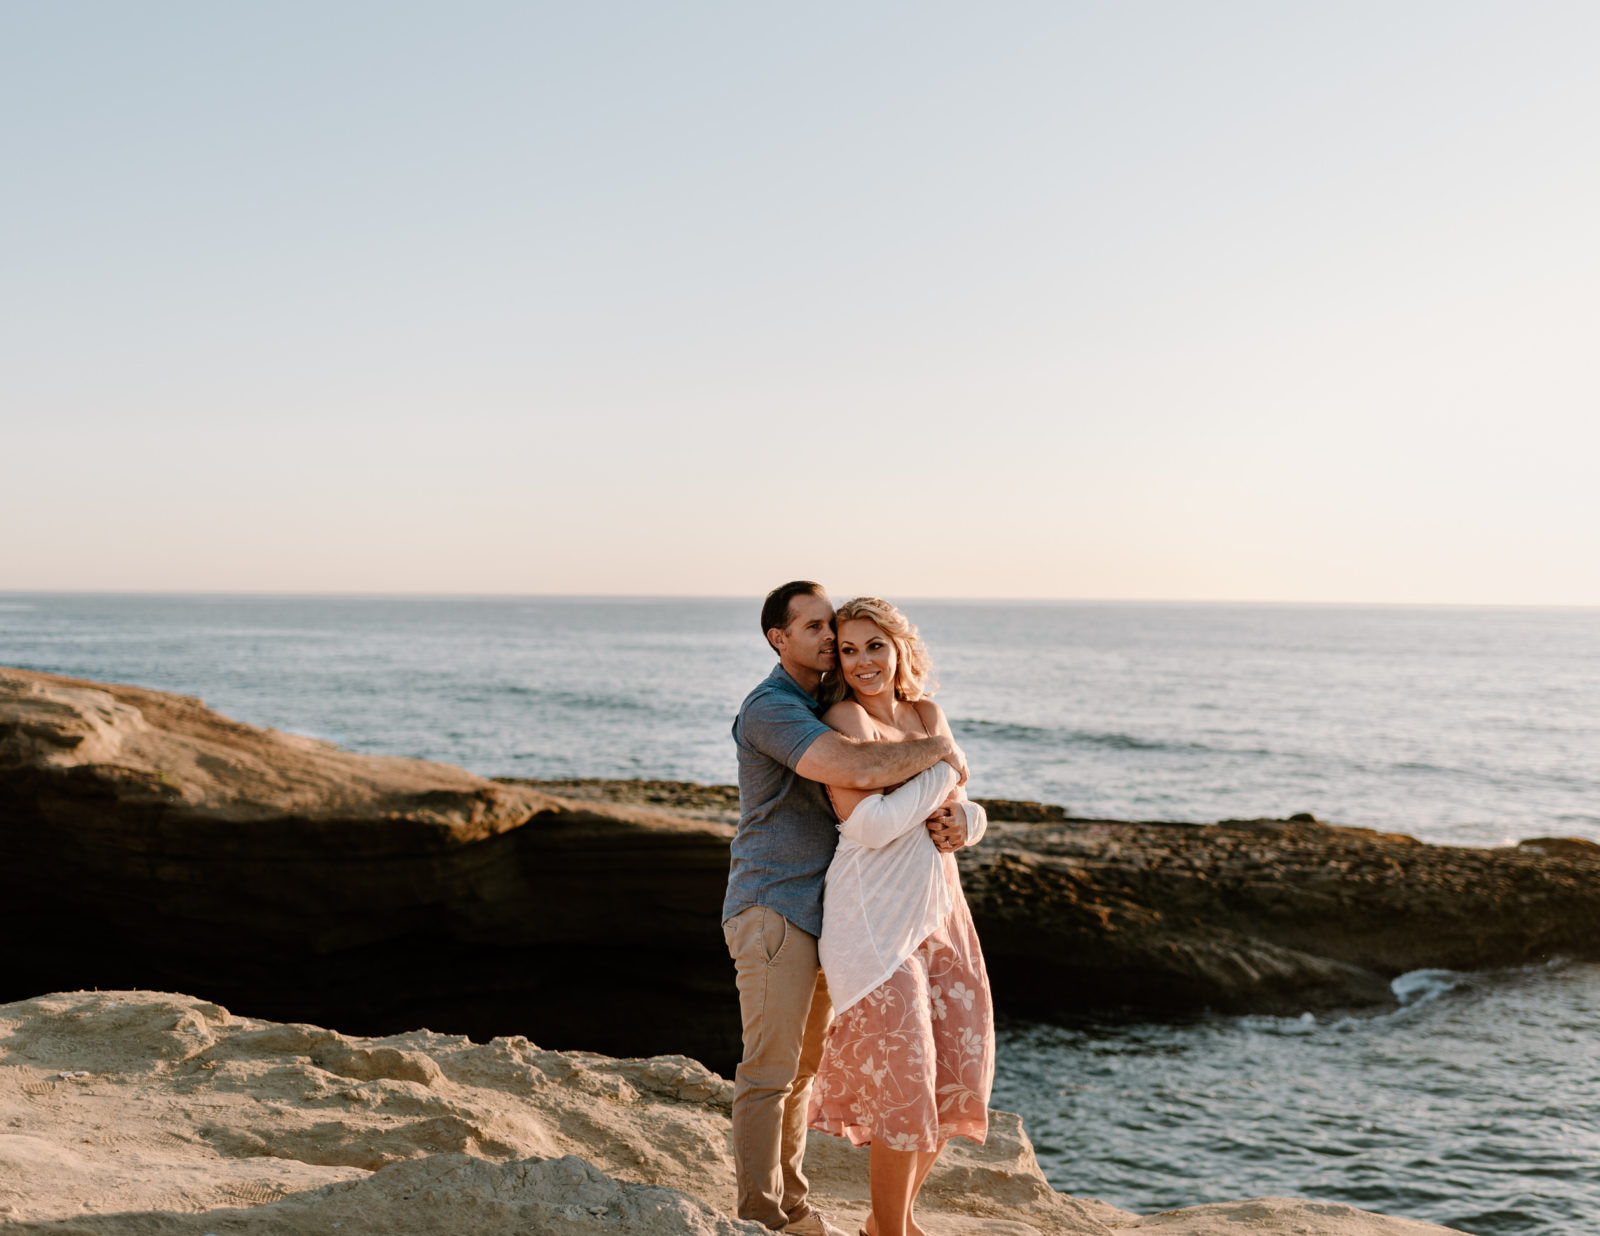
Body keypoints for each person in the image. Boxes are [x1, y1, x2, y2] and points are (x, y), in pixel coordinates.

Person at [726, 581, 971, 1236]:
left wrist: (967, 815)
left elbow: (917, 793)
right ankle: (760, 1218)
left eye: (832, 627)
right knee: (770, 1072)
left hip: (833, 908)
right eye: (815, 628)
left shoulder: (822, 697)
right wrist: (946, 755)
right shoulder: (772, 709)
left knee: (801, 1074)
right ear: (779, 639)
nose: (831, 640)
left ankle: (796, 1212)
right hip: (775, 904)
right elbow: (850, 768)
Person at [805, 596, 994, 1236]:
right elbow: (872, 826)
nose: (862, 661)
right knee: (904, 1082)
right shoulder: (844, 720)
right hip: (872, 920)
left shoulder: (926, 715)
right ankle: (888, 1231)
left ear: (900, 648)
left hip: (942, 911)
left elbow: (963, 805)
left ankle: (895, 1222)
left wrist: (970, 819)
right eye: (849, 649)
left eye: (874, 646)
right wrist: (941, 763)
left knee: (954, 1076)